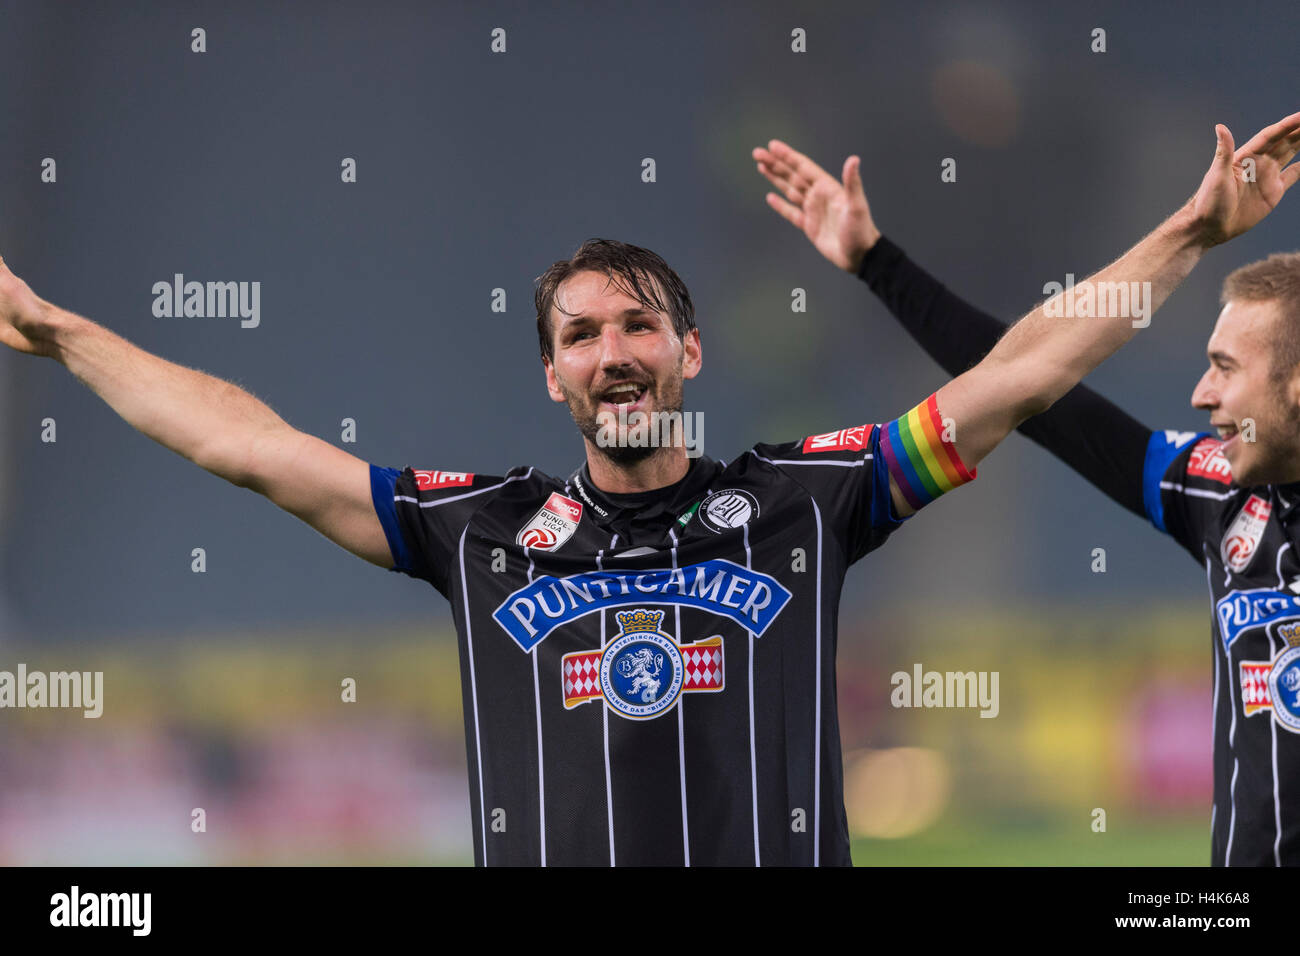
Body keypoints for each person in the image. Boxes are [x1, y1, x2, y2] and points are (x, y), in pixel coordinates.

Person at [2, 113, 1296, 866]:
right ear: (552, 375)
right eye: (580, 334)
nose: (611, 351)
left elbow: (1024, 379)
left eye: (638, 324)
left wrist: (1187, 234)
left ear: (690, 351)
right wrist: (64, 332)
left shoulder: (806, 502)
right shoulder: (481, 531)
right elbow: (248, 442)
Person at [753, 117, 1300, 866]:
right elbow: (1022, 390)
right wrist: (878, 264)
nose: (1203, 394)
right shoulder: (1219, 497)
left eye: (1227, 368)